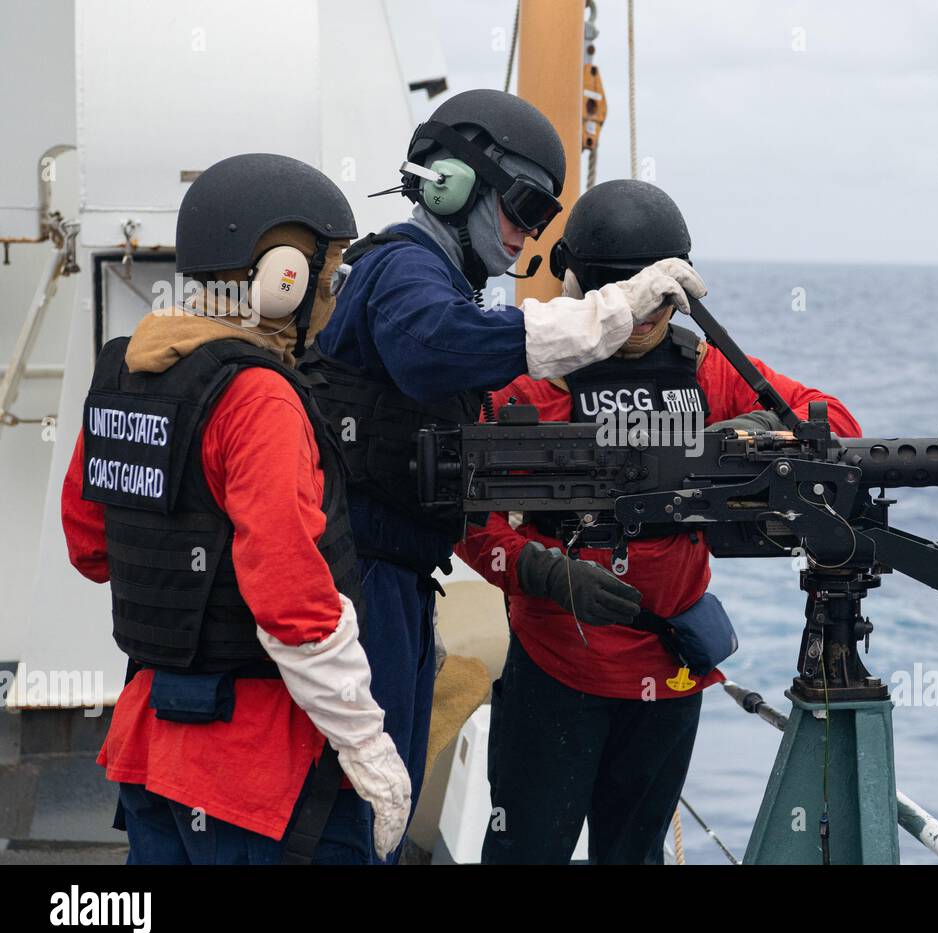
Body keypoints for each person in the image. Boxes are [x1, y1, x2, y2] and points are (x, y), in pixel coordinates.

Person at [303, 89, 705, 859]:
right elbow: (438, 346)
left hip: (396, 581)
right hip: (364, 584)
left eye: (541, 218)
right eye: (522, 207)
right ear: (452, 183)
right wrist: (610, 313)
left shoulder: (432, 284)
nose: (526, 233)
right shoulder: (402, 270)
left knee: (378, 808)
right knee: (350, 819)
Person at [454, 179, 863, 864]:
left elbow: (835, 425)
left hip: (669, 673)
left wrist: (752, 432)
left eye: (657, 300)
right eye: (625, 294)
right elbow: (464, 513)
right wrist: (541, 572)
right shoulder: (529, 383)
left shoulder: (705, 370)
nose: (643, 317)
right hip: (556, 671)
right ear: (583, 286)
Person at [61, 153, 409, 864]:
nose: (331, 297)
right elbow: (289, 598)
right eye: (328, 275)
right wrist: (366, 744)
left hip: (148, 745)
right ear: (284, 277)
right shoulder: (260, 398)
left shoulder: (126, 371)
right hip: (256, 770)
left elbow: (90, 549)